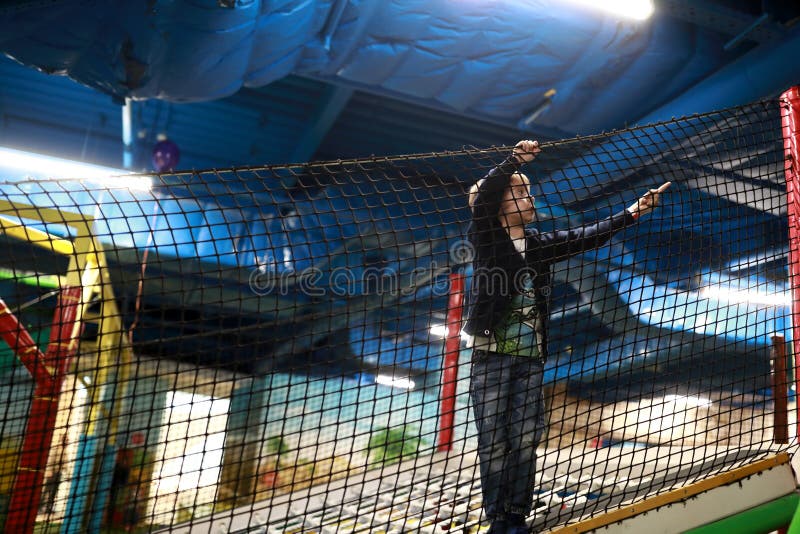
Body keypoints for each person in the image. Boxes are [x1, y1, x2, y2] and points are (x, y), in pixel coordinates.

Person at [463, 140, 670, 533]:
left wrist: (631, 213)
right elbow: (485, 197)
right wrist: (515, 162)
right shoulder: (487, 238)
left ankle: (515, 515)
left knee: (525, 437)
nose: (530, 198)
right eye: (520, 193)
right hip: (490, 355)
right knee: (493, 439)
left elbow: (585, 237)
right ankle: (497, 518)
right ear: (498, 205)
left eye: (528, 191)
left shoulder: (539, 246)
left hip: (530, 358)